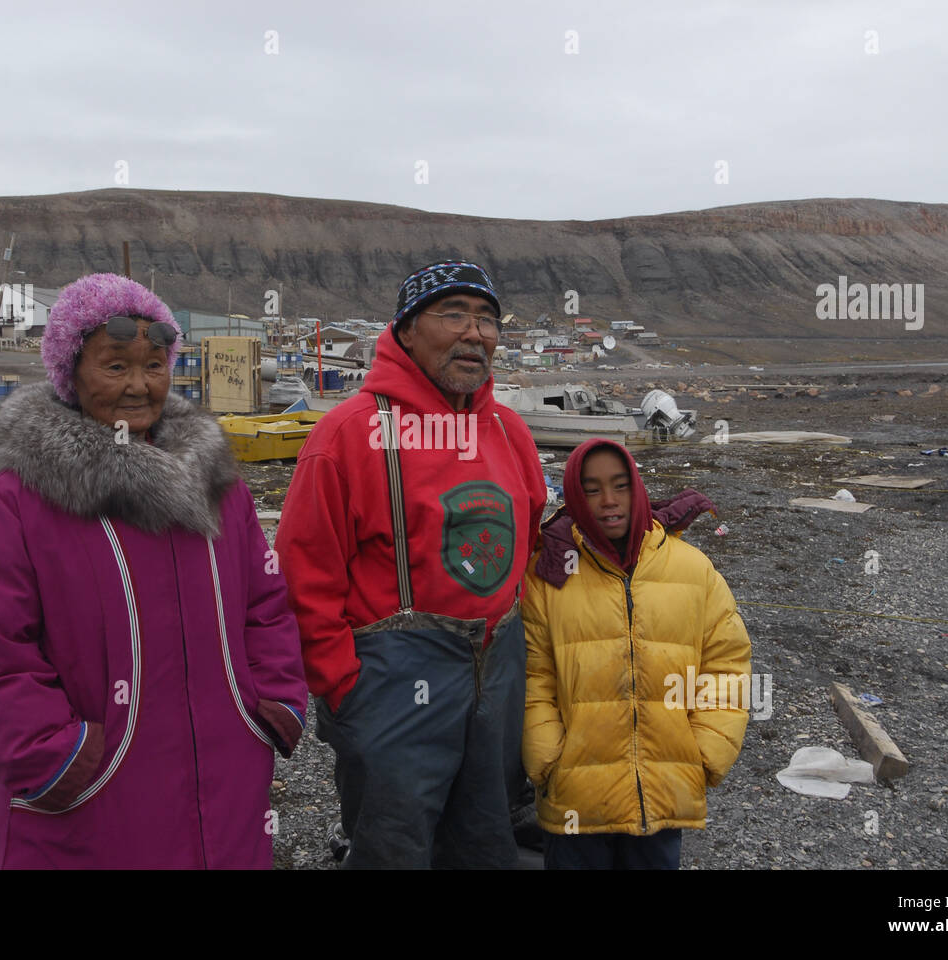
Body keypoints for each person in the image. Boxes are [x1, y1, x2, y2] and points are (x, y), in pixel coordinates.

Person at [0, 272, 307, 869]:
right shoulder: (17, 502)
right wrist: (55, 757)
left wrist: (270, 705)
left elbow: (265, 606)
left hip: (228, 787)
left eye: (155, 364)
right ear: (69, 373)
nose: (140, 385)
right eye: (115, 366)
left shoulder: (219, 488)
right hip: (93, 800)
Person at [276, 260, 547, 868]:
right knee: (391, 848)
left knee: (488, 840)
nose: (474, 334)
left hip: (496, 680)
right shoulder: (348, 434)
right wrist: (346, 691)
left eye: (487, 321)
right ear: (404, 331)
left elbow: (526, 545)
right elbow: (303, 576)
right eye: (453, 315)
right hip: (391, 691)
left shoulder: (509, 433)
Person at [521, 438, 751, 869]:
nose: (608, 501)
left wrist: (706, 751)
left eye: (620, 485)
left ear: (638, 488)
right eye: (591, 489)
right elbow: (534, 675)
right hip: (576, 795)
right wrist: (548, 756)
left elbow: (726, 661)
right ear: (573, 494)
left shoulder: (692, 569)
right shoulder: (551, 575)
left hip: (664, 791)